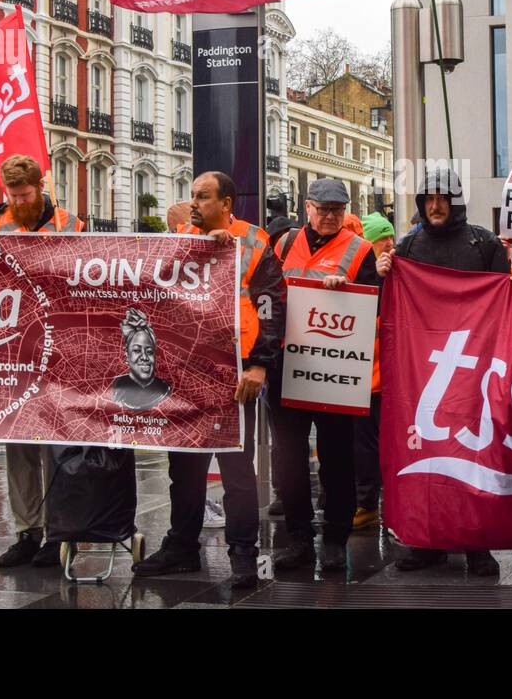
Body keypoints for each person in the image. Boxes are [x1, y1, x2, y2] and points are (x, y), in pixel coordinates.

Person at [133, 171, 286, 587]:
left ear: (227, 204)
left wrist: (259, 365)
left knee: (237, 470)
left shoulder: (254, 241)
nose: (194, 203)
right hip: (187, 371)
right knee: (183, 466)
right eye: (192, 196)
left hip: (237, 372)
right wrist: (199, 247)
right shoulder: (183, 237)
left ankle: (242, 555)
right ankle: (181, 547)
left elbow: (272, 307)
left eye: (203, 197)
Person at [376, 165, 511, 576]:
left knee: (472, 454)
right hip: (423, 373)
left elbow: (503, 302)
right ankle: (425, 541)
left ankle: (476, 543)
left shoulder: (484, 243)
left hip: (473, 368)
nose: (435, 206)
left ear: (455, 202)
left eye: (442, 199)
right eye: (428, 199)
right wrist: (383, 274)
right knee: (425, 456)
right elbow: (391, 308)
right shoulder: (408, 245)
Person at [0, 154, 84, 569]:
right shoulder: (0, 222)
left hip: (58, 351)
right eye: (12, 195)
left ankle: (58, 531)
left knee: (56, 450)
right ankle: (27, 531)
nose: (17, 201)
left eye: (24, 195)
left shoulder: (70, 225)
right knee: (19, 448)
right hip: (18, 351)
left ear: (40, 187)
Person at [269, 178, 380, 572]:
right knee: (289, 461)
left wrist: (348, 289)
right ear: (307, 208)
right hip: (286, 365)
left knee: (337, 457)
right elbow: (264, 293)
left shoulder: (359, 249)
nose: (330, 216)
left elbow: (375, 301)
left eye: (337, 209)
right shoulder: (282, 243)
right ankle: (299, 538)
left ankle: (335, 539)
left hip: (335, 370)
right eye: (323, 208)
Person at [352, 212, 396, 529]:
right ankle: (366, 503)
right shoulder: (363, 272)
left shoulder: (393, 271)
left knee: (379, 445)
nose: (390, 244)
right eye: (383, 238)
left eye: (391, 237)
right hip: (362, 378)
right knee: (363, 446)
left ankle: (375, 503)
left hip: (384, 379)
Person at [110, 309, 173, 411]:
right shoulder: (115, 387)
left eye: (149, 352)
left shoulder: (164, 389)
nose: (144, 357)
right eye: (136, 350)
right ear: (126, 356)